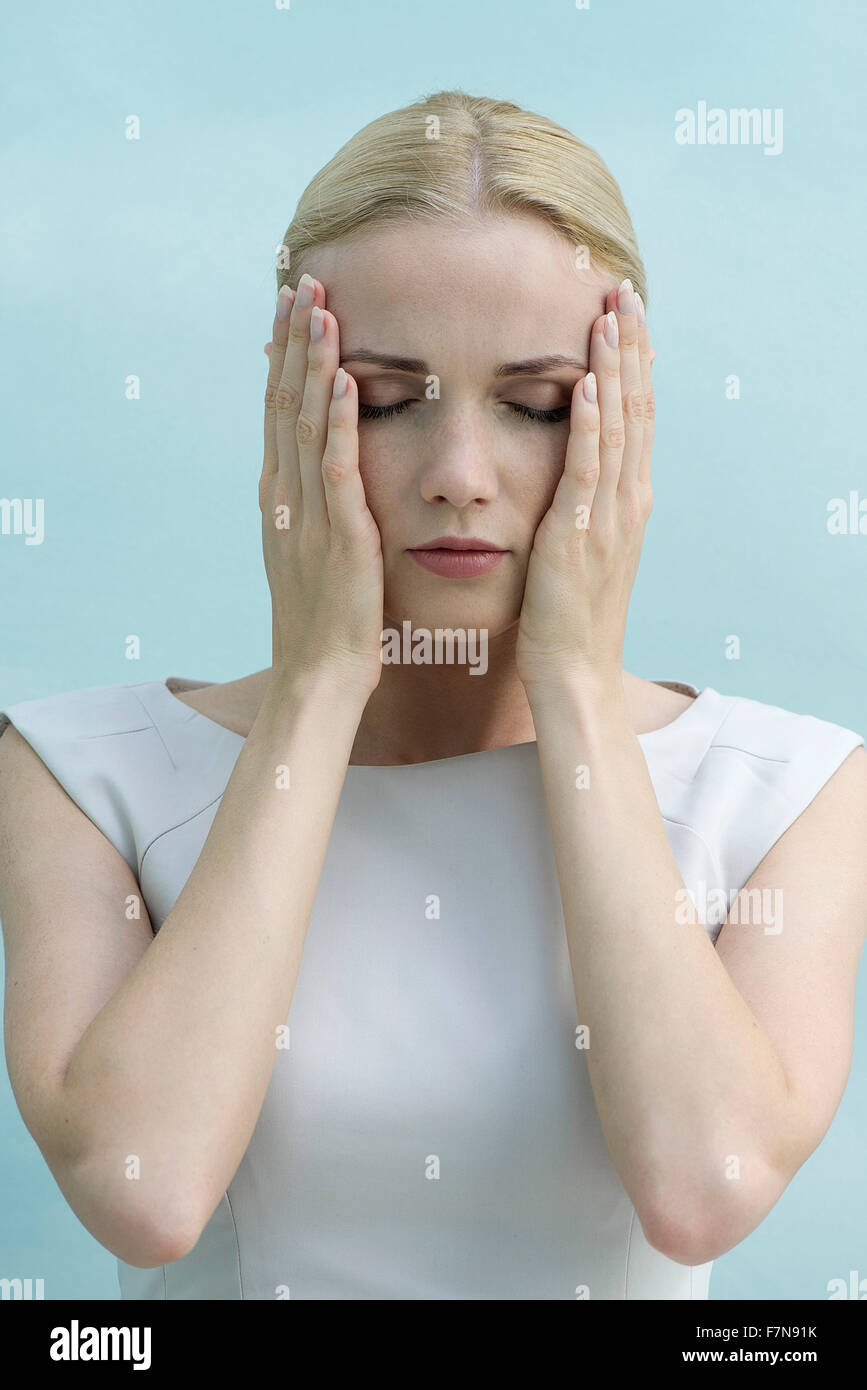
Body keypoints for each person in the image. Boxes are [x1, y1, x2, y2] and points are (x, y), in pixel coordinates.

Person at [1, 90, 865, 1301]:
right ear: (293, 404)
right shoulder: (81, 770)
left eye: (536, 406)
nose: (461, 476)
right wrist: (314, 681)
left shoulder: (791, 789)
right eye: (392, 399)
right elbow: (143, 1191)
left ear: (626, 414)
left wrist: (572, 679)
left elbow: (702, 1184)